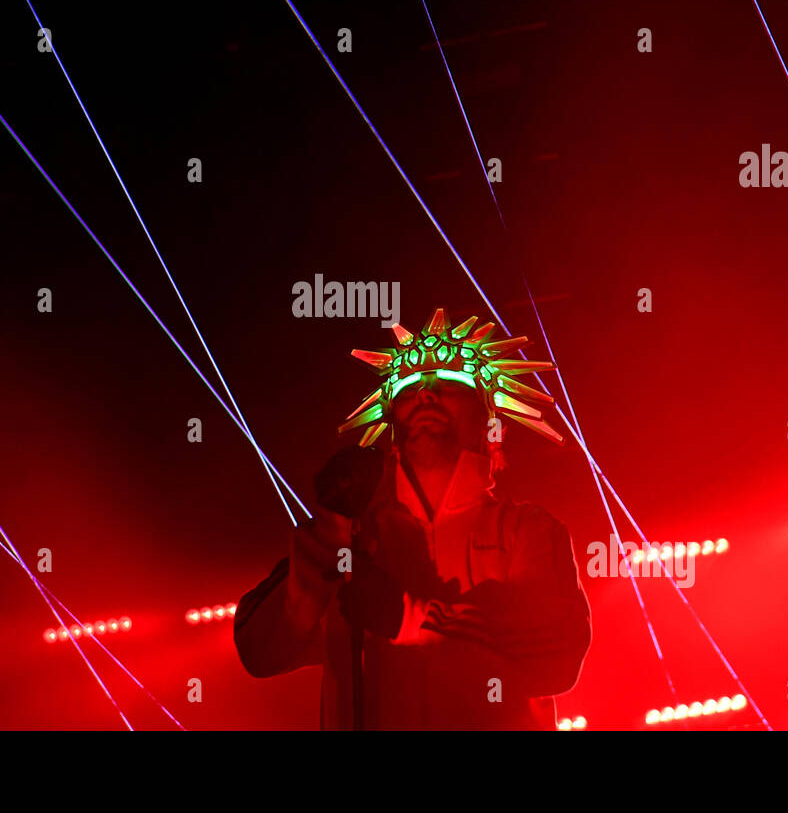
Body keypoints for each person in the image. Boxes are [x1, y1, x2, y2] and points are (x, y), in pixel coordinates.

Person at [234, 308, 592, 729]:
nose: (425, 393)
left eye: (451, 381)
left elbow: (557, 652)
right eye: (407, 387)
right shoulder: (353, 533)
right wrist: (329, 533)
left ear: (488, 418)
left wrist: (411, 618)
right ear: (389, 421)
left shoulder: (529, 530)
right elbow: (259, 650)